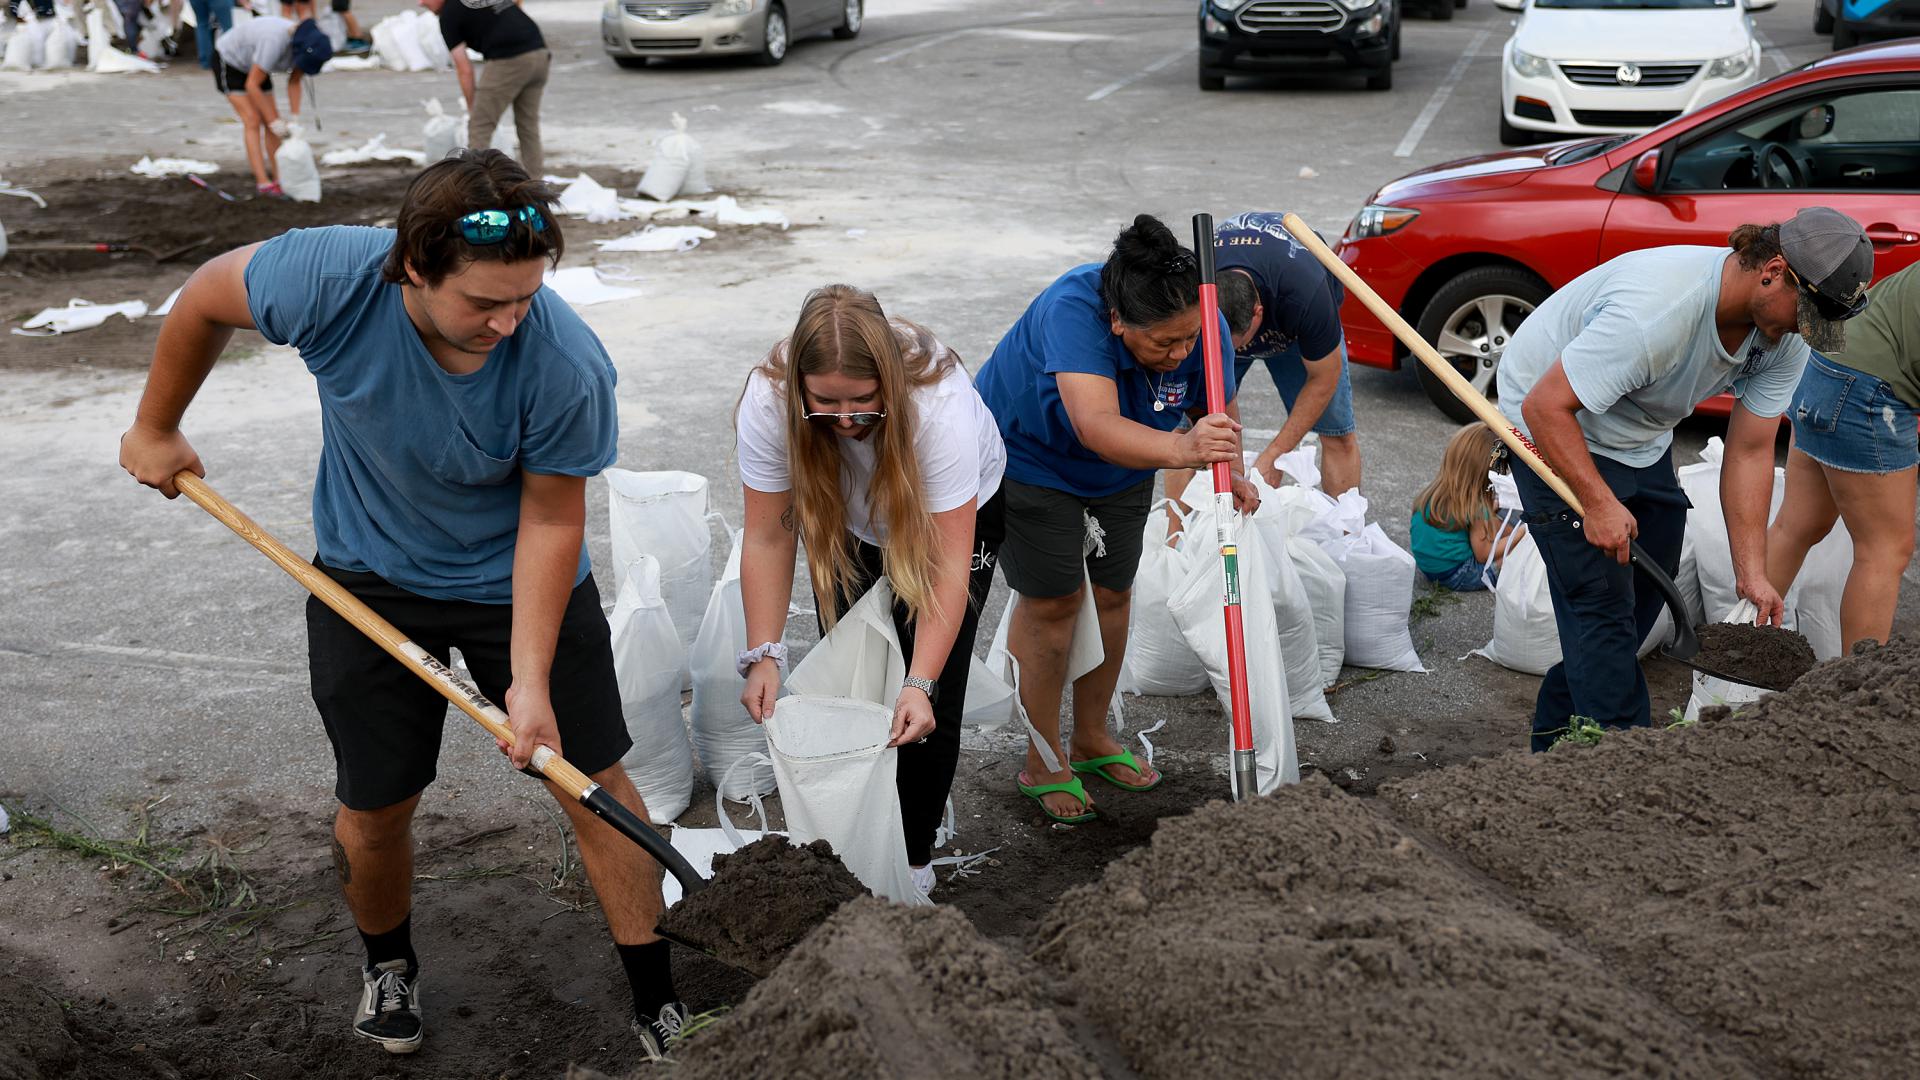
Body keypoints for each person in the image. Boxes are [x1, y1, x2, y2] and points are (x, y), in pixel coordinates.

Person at [116, 150, 686, 1060]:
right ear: (414, 267)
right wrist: (155, 424)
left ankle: (658, 993)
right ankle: (389, 965)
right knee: (377, 804)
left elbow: (550, 518)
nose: (508, 322)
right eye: (485, 303)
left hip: (516, 581)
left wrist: (528, 682)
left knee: (594, 786)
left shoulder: (564, 363)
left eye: (526, 298)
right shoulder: (326, 278)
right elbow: (202, 299)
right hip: (366, 573)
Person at [1498, 207, 1872, 752]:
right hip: (1551, 425)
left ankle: (1554, 748)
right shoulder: (1658, 314)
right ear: (1773, 270)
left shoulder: (1784, 336)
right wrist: (1597, 503)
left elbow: (1748, 450)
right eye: (1805, 313)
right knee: (1599, 604)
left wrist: (1752, 572)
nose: (1803, 330)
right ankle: (1622, 766)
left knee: (1643, 598)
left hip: (1638, 433)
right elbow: (1545, 407)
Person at [973, 214, 1258, 823]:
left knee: (1112, 596)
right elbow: (1095, 425)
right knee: (1053, 603)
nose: (1181, 354)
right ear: (1118, 321)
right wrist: (1185, 450)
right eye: (1165, 345)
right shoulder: (1072, 309)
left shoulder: (1198, 314)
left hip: (1127, 465)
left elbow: (1218, 396)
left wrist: (1231, 468)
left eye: (1189, 340)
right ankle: (1044, 756)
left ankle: (1092, 737)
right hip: (1029, 457)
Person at [735, 286, 1007, 899]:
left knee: (928, 695)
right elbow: (769, 538)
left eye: (863, 400)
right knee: (855, 674)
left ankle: (911, 864)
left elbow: (946, 568)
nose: (848, 418)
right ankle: (853, 844)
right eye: (825, 402)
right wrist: (765, 653)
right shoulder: (769, 399)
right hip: (848, 517)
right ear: (798, 386)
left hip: (951, 519)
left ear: (888, 380)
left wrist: (921, 681)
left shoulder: (940, 409)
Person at [1766, 262, 1916, 651]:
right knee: (1885, 548)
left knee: (1797, 525)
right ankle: (1856, 694)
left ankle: (1733, 661)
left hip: (1825, 365)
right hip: (1869, 390)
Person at [1164, 211, 1361, 505]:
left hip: (1292, 329)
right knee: (1184, 430)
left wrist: (1274, 455)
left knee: (1337, 434)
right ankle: (1176, 539)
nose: (1229, 353)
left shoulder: (1306, 296)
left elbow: (1325, 377)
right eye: (1217, 343)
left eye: (1233, 346)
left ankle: (1347, 540)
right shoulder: (1195, 285)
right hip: (1230, 315)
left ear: (1258, 314)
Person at [422, 0, 549, 178]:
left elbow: (464, 68)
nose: (421, 3)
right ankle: (536, 189)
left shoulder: (449, 15)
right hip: (539, 52)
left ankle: (478, 191)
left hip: (509, 59)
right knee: (528, 127)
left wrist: (473, 108)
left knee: (479, 128)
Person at [214, 15, 331, 197]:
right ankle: (263, 182)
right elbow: (252, 85)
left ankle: (280, 178)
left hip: (256, 67)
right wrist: (273, 121)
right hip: (230, 62)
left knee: (274, 123)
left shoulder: (308, 44)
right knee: (253, 120)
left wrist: (294, 119)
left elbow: (294, 81)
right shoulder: (274, 41)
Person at [1410, 424, 1526, 591]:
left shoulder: (1435, 492)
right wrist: (1522, 533)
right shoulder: (1477, 506)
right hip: (1459, 574)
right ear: (1486, 472)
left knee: (1499, 518)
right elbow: (1483, 555)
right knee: (1519, 551)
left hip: (1430, 568)